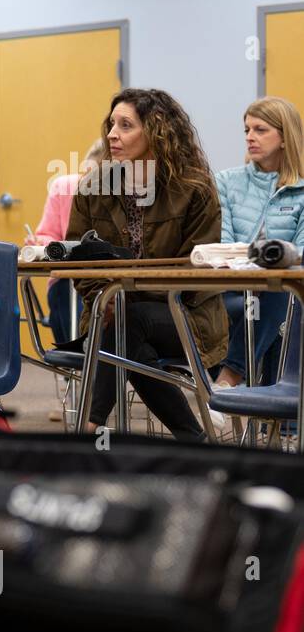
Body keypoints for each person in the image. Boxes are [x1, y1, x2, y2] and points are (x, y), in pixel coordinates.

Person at [67, 88, 227, 441]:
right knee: (128, 335)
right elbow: (78, 258)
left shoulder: (193, 187)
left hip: (185, 315)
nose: (112, 134)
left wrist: (123, 294)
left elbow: (196, 270)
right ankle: (193, 439)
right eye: (111, 124)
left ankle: (87, 429)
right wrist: (102, 298)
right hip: (110, 316)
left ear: (155, 131)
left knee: (128, 320)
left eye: (125, 125)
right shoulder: (94, 187)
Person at [209, 97, 304, 429]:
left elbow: (301, 252)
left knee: (283, 295)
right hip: (232, 290)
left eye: (261, 129)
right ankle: (281, 426)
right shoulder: (227, 181)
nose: (250, 136)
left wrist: (264, 261)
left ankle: (230, 379)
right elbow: (223, 244)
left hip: (280, 293)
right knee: (282, 305)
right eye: (247, 129)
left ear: (285, 136)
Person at [25, 139, 107, 345]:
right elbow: (47, 234)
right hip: (67, 281)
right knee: (70, 296)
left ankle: (89, 369)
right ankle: (78, 366)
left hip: (107, 282)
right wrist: (43, 245)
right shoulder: (64, 187)